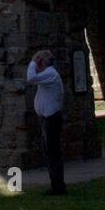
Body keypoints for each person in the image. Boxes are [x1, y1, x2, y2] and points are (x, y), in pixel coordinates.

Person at [26, 48, 65, 195]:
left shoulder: (50, 73)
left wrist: (32, 63)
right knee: (50, 152)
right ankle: (56, 184)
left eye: (38, 62)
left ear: (41, 62)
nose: (36, 66)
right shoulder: (48, 75)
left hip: (51, 119)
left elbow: (30, 78)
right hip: (47, 118)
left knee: (52, 152)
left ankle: (57, 186)